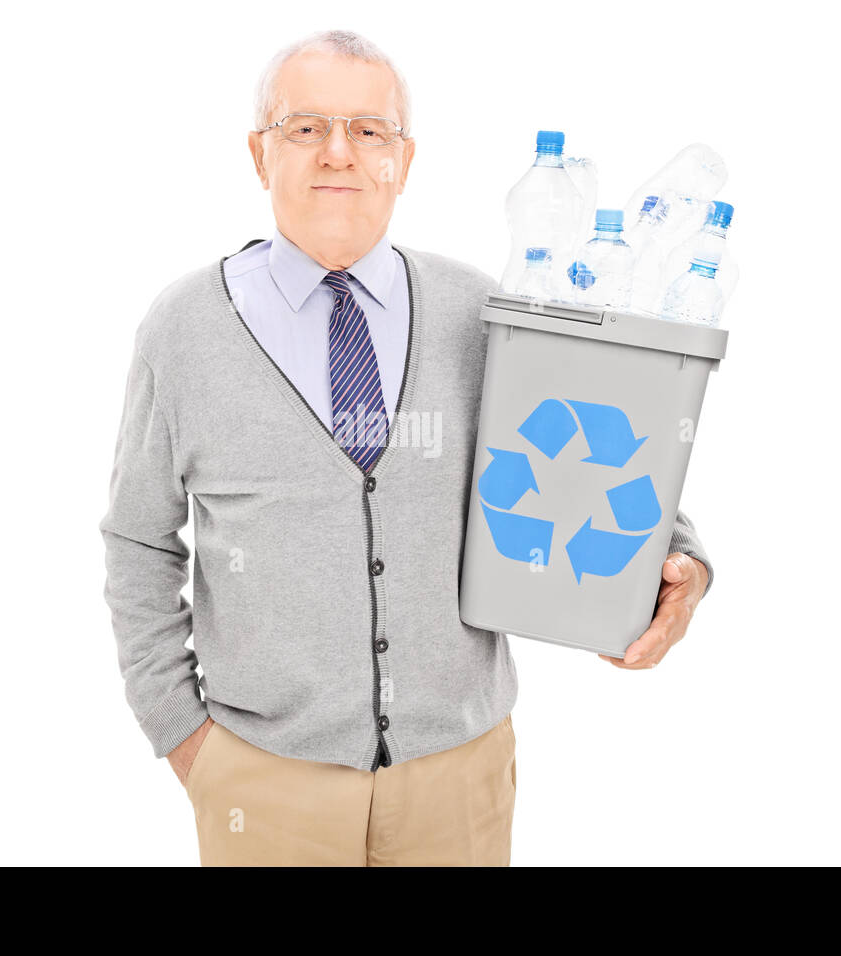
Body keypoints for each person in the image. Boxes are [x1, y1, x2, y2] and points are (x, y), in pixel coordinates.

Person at [98, 28, 712, 867]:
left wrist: (682, 562)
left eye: (370, 131)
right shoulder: (184, 330)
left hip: (457, 780)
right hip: (264, 782)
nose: (339, 154)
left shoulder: (480, 310)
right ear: (259, 153)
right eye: (306, 127)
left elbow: (589, 446)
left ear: (405, 160)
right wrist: (185, 738)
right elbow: (138, 540)